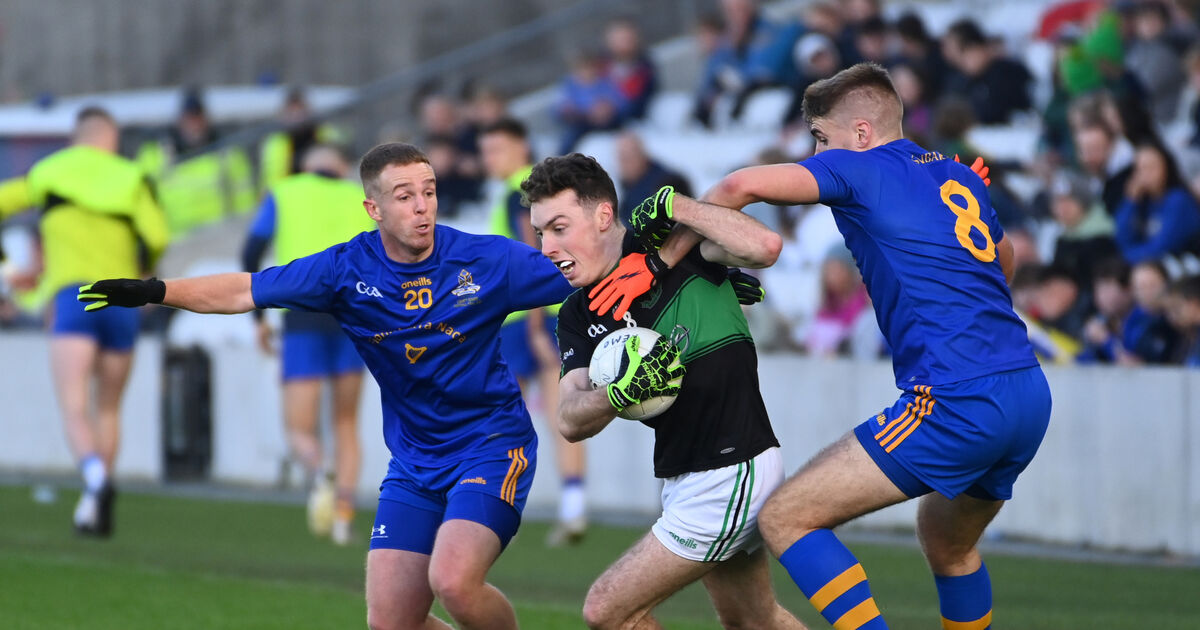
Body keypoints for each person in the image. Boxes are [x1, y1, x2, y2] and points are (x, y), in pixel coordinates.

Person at [587, 63, 1051, 629]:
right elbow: (1003, 265)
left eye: (821, 139)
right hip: (1028, 393)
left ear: (860, 133)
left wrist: (660, 258)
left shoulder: (857, 167)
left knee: (786, 518)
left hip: (956, 399)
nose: (816, 154)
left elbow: (739, 187)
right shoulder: (955, 173)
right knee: (948, 543)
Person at [77, 142, 574, 629]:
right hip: (415, 462)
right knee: (390, 622)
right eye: (405, 196)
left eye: (429, 191)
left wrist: (631, 244)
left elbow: (583, 272)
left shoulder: (484, 260)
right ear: (372, 208)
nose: (422, 207)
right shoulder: (343, 270)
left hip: (490, 445)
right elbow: (244, 289)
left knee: (454, 582)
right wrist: (156, 290)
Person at [524, 153, 803, 630]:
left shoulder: (670, 242)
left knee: (608, 610)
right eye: (540, 232)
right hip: (683, 475)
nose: (547, 246)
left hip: (731, 465)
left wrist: (679, 207)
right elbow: (569, 418)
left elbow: (765, 246)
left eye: (559, 227)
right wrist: (614, 395)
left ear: (604, 215)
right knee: (754, 621)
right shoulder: (576, 314)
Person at [0, 106, 168, 536]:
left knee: (74, 404)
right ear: (109, 137)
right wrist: (144, 279)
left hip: (75, 296)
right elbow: (158, 236)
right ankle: (94, 504)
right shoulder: (131, 177)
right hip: (122, 299)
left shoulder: (52, 170)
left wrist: (7, 268)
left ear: (78, 137)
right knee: (108, 406)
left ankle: (93, 480)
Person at [241, 144, 375, 545]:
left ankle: (320, 471)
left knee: (299, 427)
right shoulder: (360, 198)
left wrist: (259, 316)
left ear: (305, 165)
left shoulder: (285, 191)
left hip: (301, 311)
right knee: (346, 423)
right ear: (340, 164)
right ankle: (343, 517)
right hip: (355, 316)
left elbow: (251, 249)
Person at [479, 118, 589, 546]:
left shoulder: (517, 194)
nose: (490, 158)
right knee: (566, 412)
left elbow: (537, 257)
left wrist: (539, 327)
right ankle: (573, 508)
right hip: (552, 314)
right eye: (486, 150)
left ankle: (494, 505)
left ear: (521, 147)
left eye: (497, 149)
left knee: (502, 415)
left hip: (529, 319)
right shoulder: (534, 191)